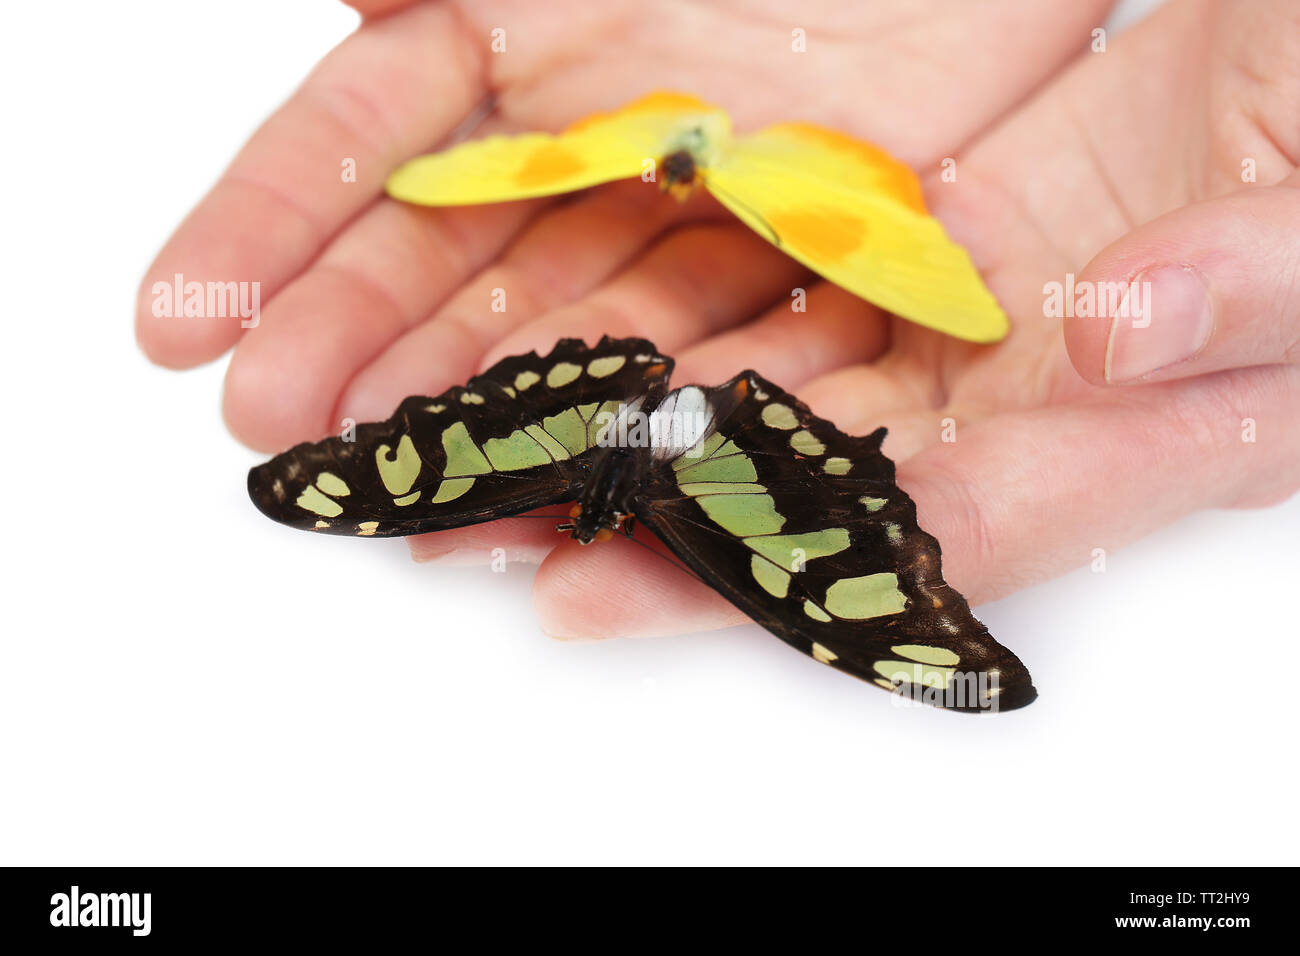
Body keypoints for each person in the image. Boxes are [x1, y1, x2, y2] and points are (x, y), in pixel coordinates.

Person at [135, 0, 1300, 640]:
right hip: (764, 211)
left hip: (746, 206)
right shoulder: (714, 508)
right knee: (792, 573)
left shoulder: (591, 472)